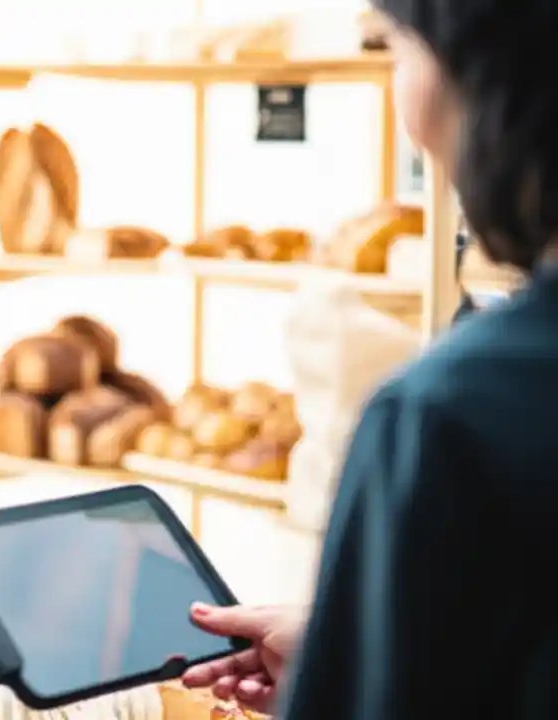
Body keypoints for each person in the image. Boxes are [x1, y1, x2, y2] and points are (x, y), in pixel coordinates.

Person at [181, 1, 558, 717]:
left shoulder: (447, 416)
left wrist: (347, 681)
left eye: (398, 50)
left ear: (483, 77)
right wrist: (353, 651)